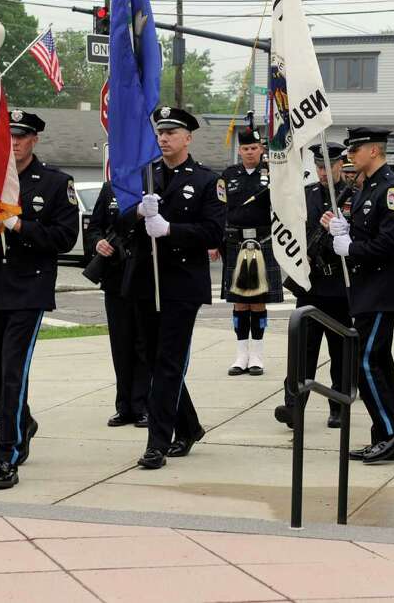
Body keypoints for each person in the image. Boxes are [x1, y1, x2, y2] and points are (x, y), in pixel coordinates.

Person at [0, 110, 79, 490]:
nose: (15, 143)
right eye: (8, 136)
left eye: (21, 136)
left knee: (11, 373)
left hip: (27, 288)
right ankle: (22, 420)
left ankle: (6, 454)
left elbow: (64, 238)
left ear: (34, 140)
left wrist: (19, 225)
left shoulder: (56, 183)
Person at [132, 106, 224, 470]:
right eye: (161, 132)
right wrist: (139, 213)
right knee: (154, 362)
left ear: (188, 137)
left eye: (172, 132)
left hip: (182, 284)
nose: (165, 138)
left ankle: (158, 441)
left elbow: (214, 232)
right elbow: (119, 219)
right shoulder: (147, 177)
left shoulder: (205, 180)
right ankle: (188, 426)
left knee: (169, 363)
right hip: (145, 280)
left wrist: (171, 230)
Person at [323, 127, 394, 464]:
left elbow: (391, 244)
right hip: (368, 290)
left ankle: (393, 433)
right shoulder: (369, 188)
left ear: (374, 151)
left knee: (365, 361)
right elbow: (371, 230)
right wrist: (344, 231)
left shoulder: (393, 190)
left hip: (384, 289)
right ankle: (383, 435)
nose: (350, 155)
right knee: (377, 362)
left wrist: (351, 247)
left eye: (356, 149)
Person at [275, 141, 356, 429]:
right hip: (311, 286)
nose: (324, 172)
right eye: (320, 166)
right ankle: (293, 406)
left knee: (340, 353)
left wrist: (341, 228)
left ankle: (338, 406)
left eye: (330, 166)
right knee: (302, 352)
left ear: (340, 165)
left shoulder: (354, 197)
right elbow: (291, 231)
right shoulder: (305, 196)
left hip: (339, 287)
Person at [217, 119, 282, 376]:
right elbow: (219, 209)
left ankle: (257, 355)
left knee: (258, 302)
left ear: (261, 149)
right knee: (239, 303)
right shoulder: (228, 175)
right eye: (246, 149)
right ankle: (240, 354)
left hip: (263, 241)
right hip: (235, 242)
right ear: (240, 151)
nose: (250, 152)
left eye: (254, 148)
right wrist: (215, 242)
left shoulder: (273, 174)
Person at [84, 181, 149, 428]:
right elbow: (94, 228)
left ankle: (142, 404)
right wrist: (98, 241)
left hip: (143, 275)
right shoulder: (111, 188)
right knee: (121, 344)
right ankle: (124, 406)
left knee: (143, 343)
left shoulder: (156, 185)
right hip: (115, 275)